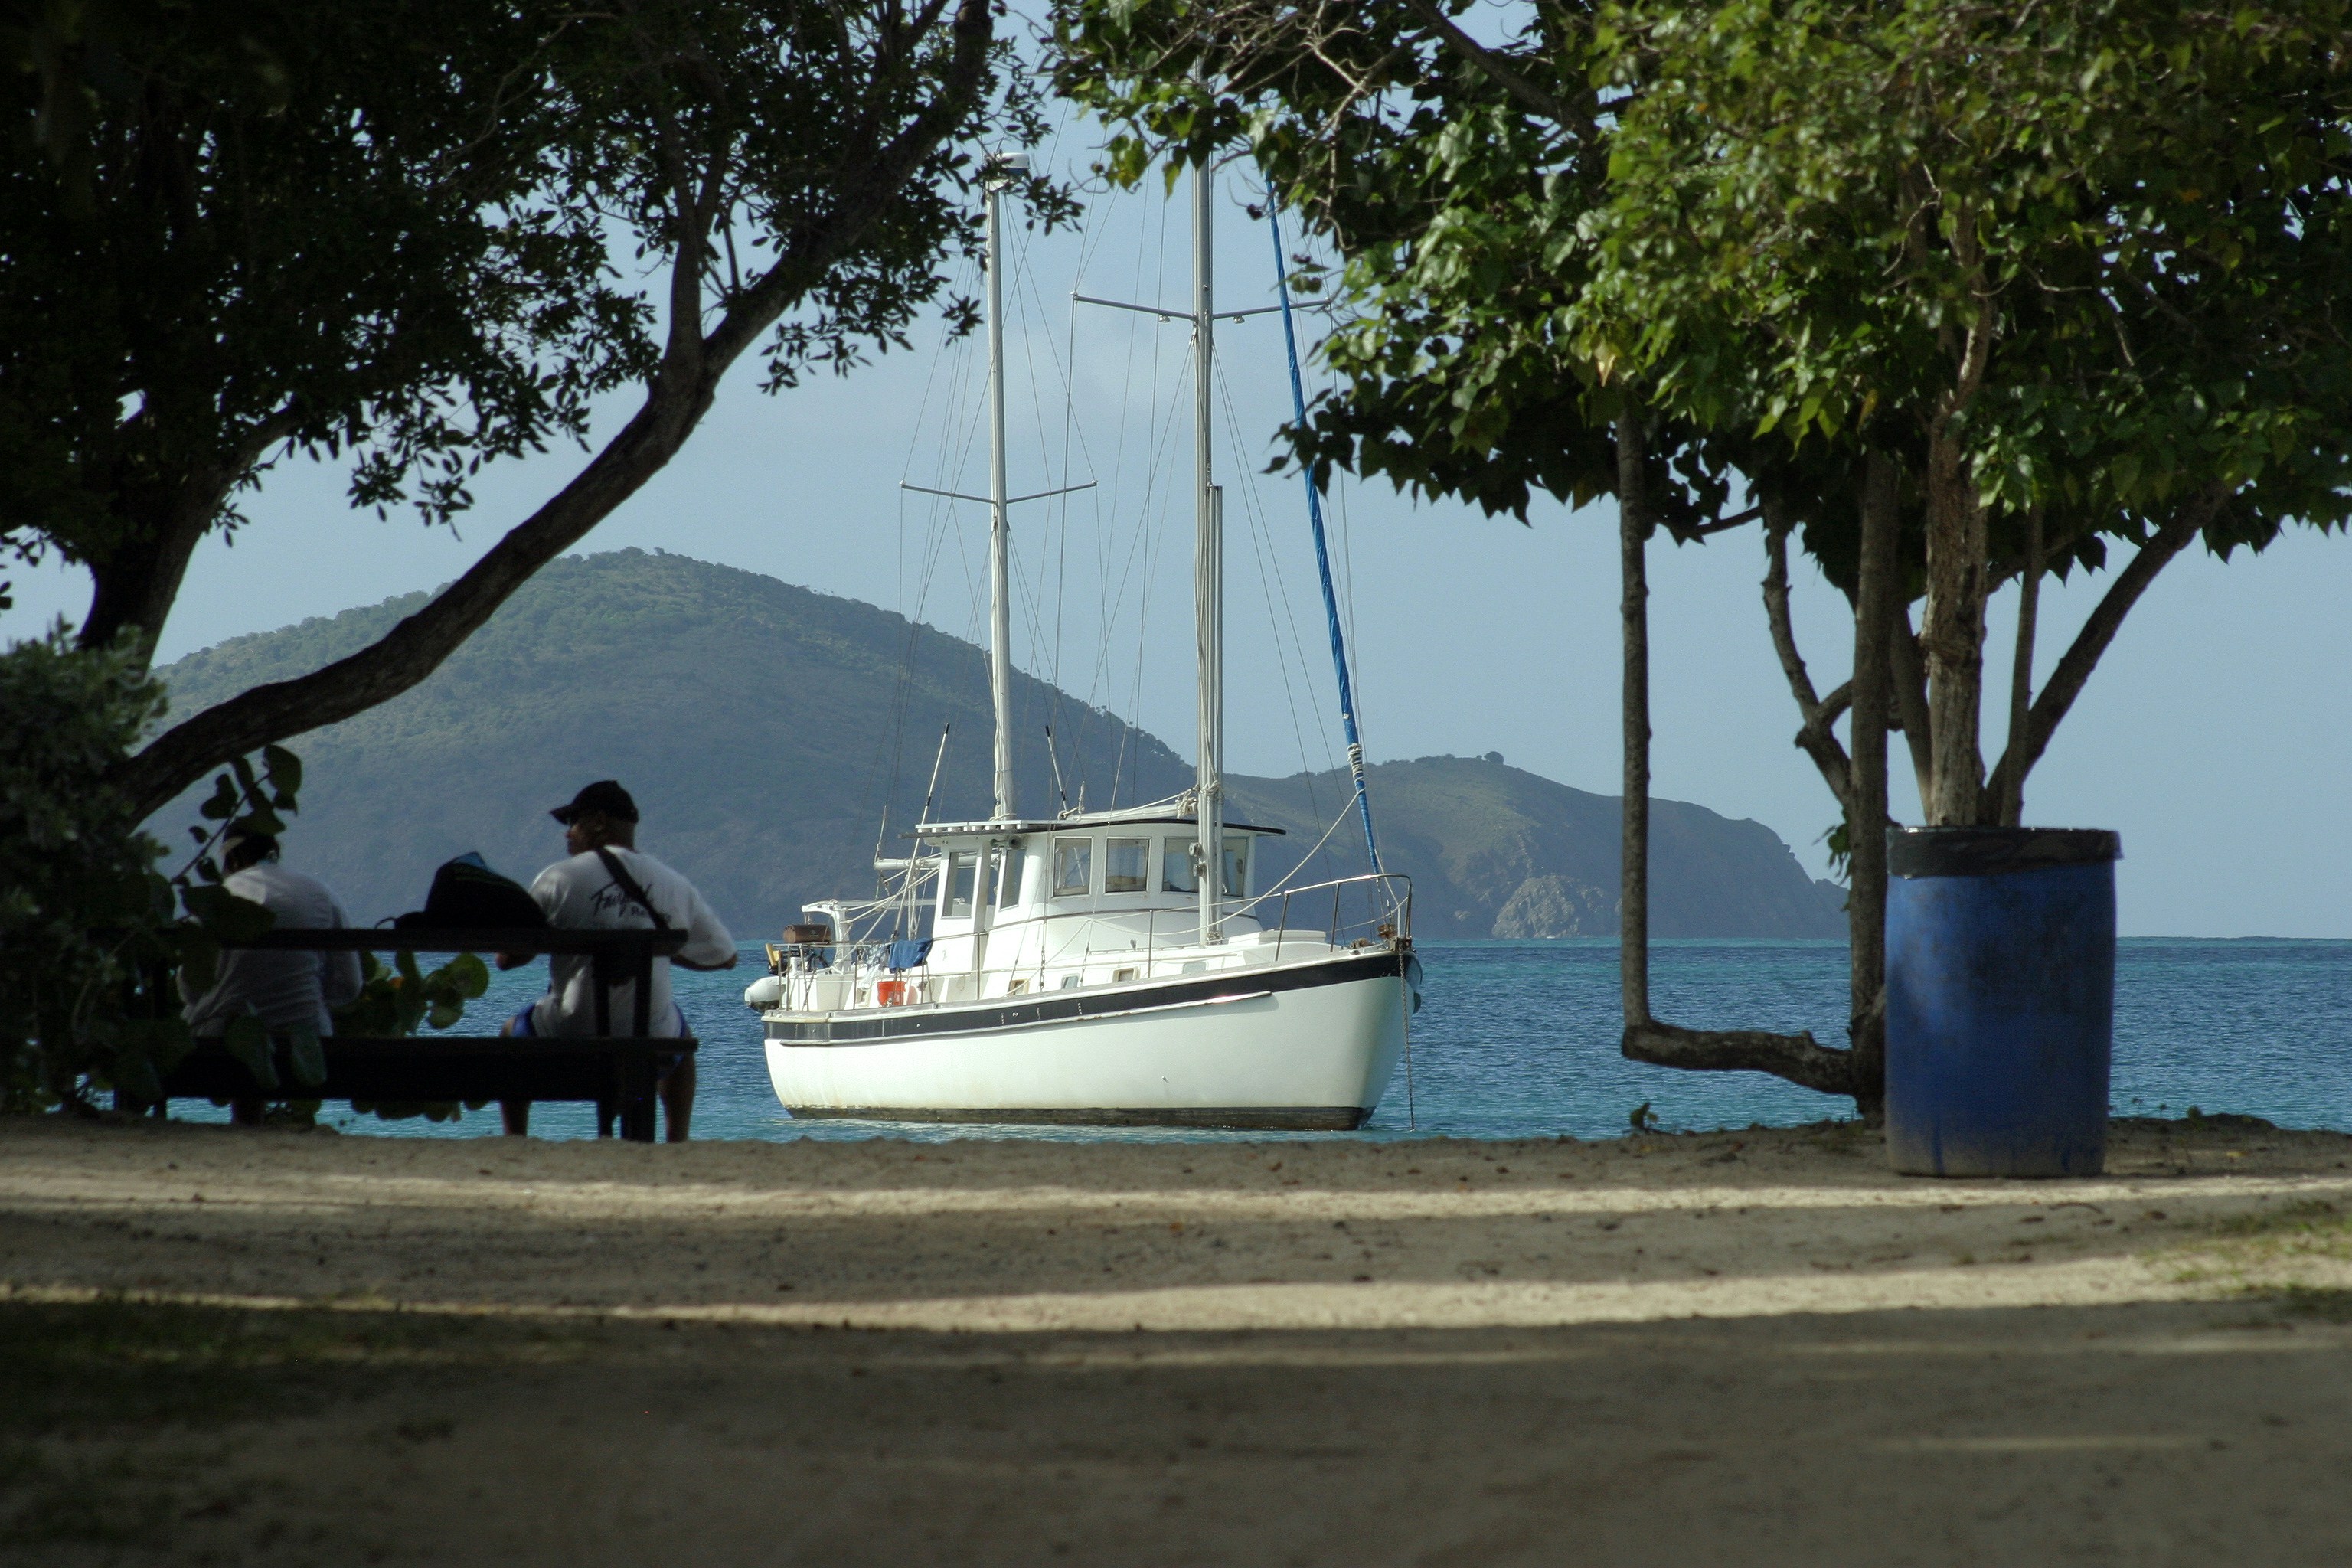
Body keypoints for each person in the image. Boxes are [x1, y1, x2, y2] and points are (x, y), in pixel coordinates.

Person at [498, 780, 734, 1140]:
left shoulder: (559, 879)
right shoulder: (674, 884)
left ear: (598, 822)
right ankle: (677, 1141)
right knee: (682, 1042)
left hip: (572, 1034)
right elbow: (726, 957)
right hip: (651, 1039)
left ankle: (514, 1139)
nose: (567, 835)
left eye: (572, 823)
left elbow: (508, 959)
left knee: (509, 1032)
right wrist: (661, 953)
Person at [178, 826, 364, 1125]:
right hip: (305, 1042)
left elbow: (190, 990)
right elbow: (350, 986)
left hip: (219, 1043)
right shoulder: (320, 894)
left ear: (233, 860)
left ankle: (247, 1123)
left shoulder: (215, 899)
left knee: (222, 1013)